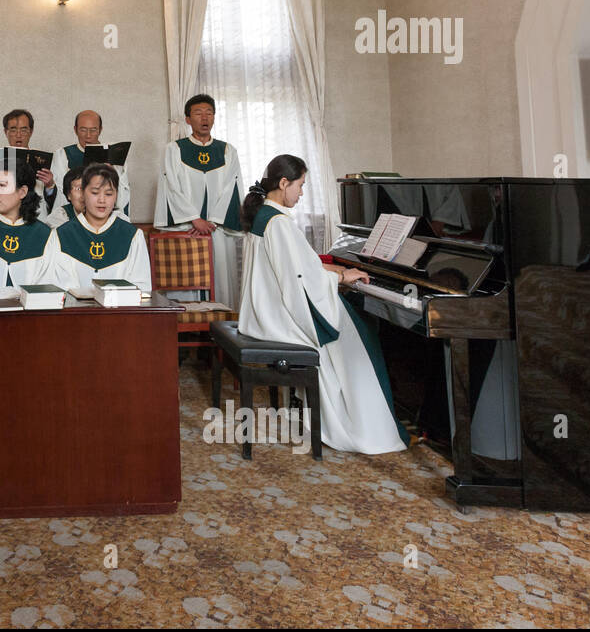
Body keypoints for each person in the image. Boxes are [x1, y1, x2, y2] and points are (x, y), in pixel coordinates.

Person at [237, 154, 407, 455]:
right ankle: (368, 427)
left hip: (265, 311)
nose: (302, 193)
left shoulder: (265, 214)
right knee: (359, 334)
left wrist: (339, 273)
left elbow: (301, 266)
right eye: (300, 186)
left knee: (357, 321)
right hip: (278, 317)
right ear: (284, 183)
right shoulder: (278, 223)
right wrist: (342, 277)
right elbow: (299, 278)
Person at [152, 93, 245, 305]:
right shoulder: (175, 150)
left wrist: (211, 221)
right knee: (187, 277)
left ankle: (221, 326)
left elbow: (233, 186)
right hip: (186, 227)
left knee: (221, 278)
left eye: (209, 113)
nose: (204, 118)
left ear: (214, 117)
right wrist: (194, 218)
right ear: (187, 119)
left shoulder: (227, 151)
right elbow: (171, 186)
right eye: (198, 113)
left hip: (217, 229)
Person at [0, 160, 69, 292]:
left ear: (22, 192)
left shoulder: (43, 235)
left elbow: (45, 285)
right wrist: (1, 298)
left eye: (2, 185)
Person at [55, 163, 150, 290]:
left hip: (121, 308)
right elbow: (58, 287)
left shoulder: (132, 236)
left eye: (109, 194)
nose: (102, 200)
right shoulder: (62, 235)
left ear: (116, 195)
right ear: (83, 194)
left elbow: (142, 286)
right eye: (95, 193)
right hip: (75, 309)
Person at [49, 110, 131, 216]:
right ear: (75, 130)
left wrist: (113, 173)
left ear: (100, 130)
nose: (88, 135)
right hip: (74, 216)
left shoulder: (113, 154)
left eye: (93, 130)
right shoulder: (63, 154)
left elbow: (123, 192)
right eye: (83, 130)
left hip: (106, 214)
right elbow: (61, 191)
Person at [3, 108, 58, 214]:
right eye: (13, 130)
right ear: (6, 132)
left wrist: (50, 186)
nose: (18, 135)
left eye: (23, 130)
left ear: (31, 132)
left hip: (35, 214)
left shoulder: (44, 161)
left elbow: (54, 200)